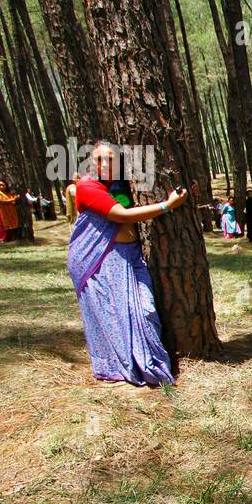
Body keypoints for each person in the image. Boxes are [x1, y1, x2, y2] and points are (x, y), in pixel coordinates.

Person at [67, 141, 182, 387]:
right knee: (115, 314)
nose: (106, 164)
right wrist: (167, 206)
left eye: (111, 159)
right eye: (99, 160)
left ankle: (148, 363)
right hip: (102, 260)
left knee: (145, 309)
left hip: (129, 254)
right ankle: (121, 367)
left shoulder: (120, 185)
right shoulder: (88, 187)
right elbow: (122, 215)